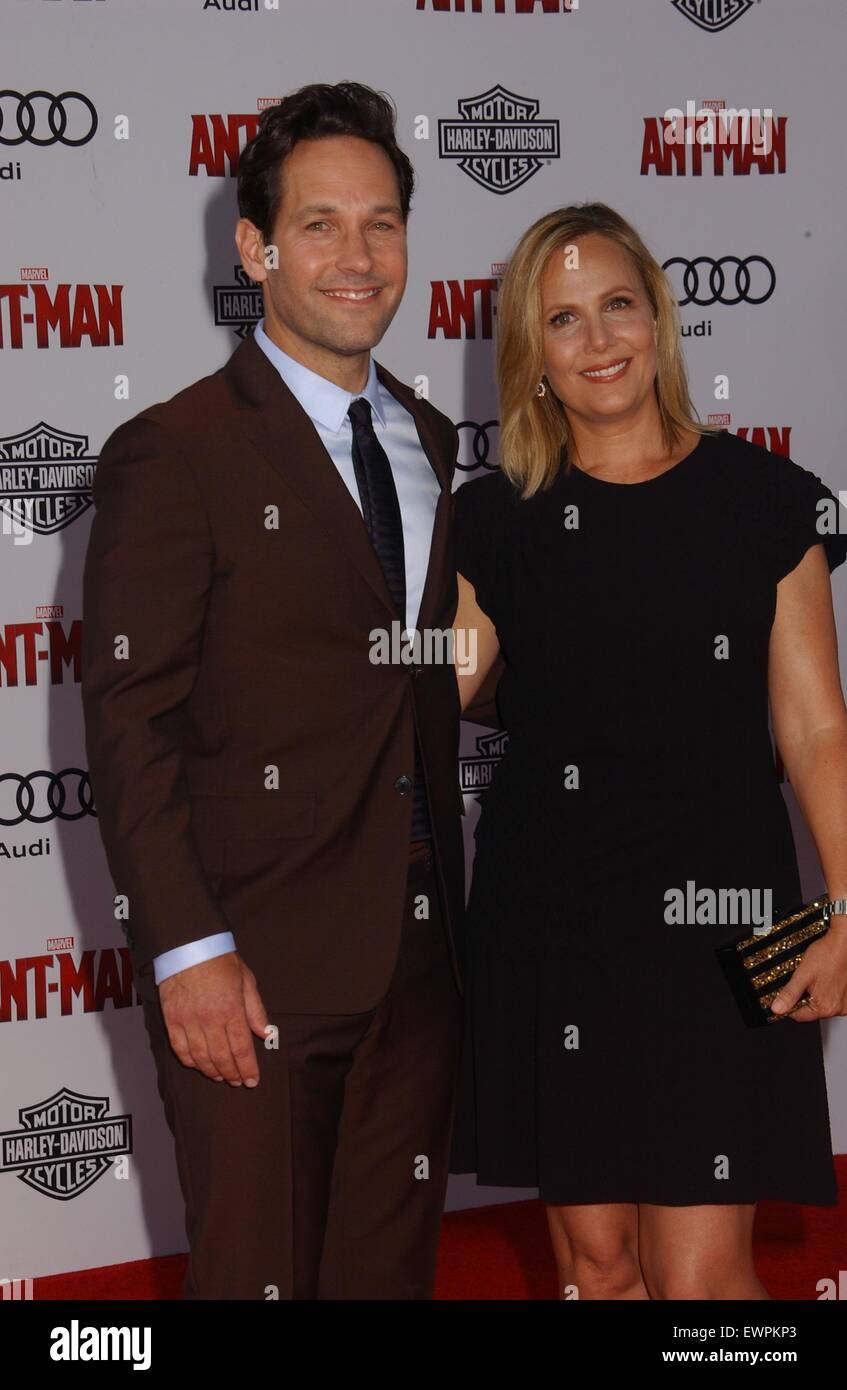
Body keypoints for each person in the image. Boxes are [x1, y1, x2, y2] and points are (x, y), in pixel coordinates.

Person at [81, 82, 465, 1300]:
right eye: (318, 225)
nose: (357, 257)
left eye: (382, 223)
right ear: (254, 249)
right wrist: (191, 949)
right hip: (252, 963)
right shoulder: (177, 449)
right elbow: (130, 719)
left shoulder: (428, 437)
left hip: (419, 952)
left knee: (383, 1280)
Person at [451, 202, 847, 1300]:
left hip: (726, 923)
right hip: (551, 920)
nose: (598, 340)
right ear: (532, 358)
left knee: (704, 1276)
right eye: (562, 320)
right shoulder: (494, 521)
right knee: (596, 1264)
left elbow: (815, 727)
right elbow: (435, 689)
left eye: (616, 304)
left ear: (658, 318)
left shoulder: (764, 499)